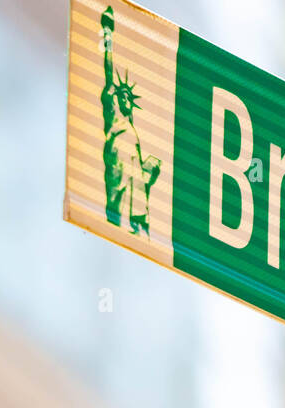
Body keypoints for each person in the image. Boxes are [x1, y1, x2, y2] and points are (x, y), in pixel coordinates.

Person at [100, 5, 161, 236]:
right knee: (115, 205)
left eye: (128, 97)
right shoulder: (113, 111)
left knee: (153, 164)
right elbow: (108, 71)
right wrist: (108, 35)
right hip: (117, 158)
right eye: (122, 96)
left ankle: (137, 222)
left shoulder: (131, 125)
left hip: (133, 163)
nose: (126, 100)